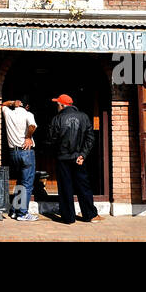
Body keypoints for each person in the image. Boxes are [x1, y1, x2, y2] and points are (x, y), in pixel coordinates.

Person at [46, 94, 100, 224]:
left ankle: (68, 218)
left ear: (63, 105)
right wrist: (83, 154)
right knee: (83, 187)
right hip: (79, 158)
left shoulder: (57, 119)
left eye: (58, 104)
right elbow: (90, 138)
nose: (57, 106)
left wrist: (57, 154)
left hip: (63, 158)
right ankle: (90, 215)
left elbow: (51, 140)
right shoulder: (84, 117)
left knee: (65, 188)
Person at [1, 96, 39, 221]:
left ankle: (14, 211)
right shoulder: (28, 114)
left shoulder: (8, 113)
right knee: (27, 184)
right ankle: (22, 213)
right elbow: (33, 126)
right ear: (27, 106)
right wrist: (28, 137)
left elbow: (2, 105)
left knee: (19, 182)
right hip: (26, 152)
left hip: (13, 153)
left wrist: (12, 103)